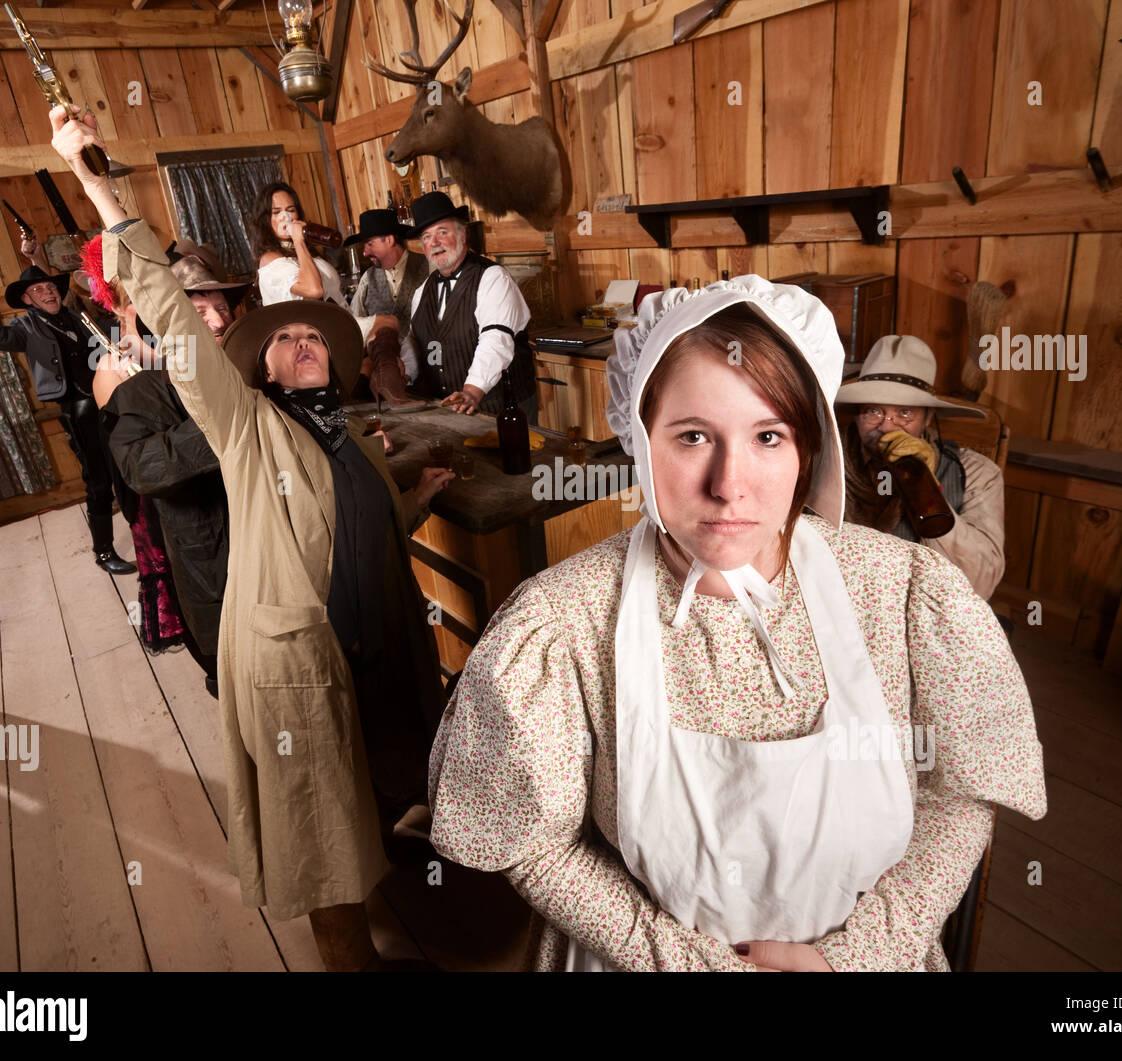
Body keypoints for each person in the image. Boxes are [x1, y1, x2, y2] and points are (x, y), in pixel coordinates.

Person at [428, 276, 1046, 971]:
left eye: (768, 436)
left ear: (807, 448)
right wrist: (688, 963)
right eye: (693, 436)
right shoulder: (564, 617)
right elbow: (535, 844)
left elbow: (958, 798)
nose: (731, 483)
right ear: (640, 438)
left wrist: (858, 955)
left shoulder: (901, 592)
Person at [52, 104, 454, 971]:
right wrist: (100, 187)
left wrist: (415, 493)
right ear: (258, 364)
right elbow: (171, 314)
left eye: (315, 334)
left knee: (369, 803)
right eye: (286, 339)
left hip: (370, 651)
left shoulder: (343, 432)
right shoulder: (247, 425)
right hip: (297, 667)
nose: (304, 342)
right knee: (322, 843)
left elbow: (354, 529)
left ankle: (385, 913)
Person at [91, 251, 250, 695]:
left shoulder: (246, 367)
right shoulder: (142, 386)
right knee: (229, 669)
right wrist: (233, 418)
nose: (218, 322)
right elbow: (142, 468)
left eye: (221, 308)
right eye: (199, 312)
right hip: (208, 561)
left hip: (269, 552)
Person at [0, 257, 137, 574]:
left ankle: (144, 539)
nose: (48, 292)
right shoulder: (25, 327)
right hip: (78, 412)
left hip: (112, 403)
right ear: (27, 299)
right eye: (38, 289)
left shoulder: (77, 316)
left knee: (126, 471)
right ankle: (103, 552)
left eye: (50, 287)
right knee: (99, 481)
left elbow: (114, 333)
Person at [835, 335, 1005, 600]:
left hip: (926, 607)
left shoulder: (975, 473)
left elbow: (980, 583)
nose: (887, 427)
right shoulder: (826, 460)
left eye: (905, 413)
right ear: (857, 415)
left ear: (928, 418)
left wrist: (925, 488)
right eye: (873, 411)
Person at [400, 191, 537, 421]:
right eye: (426, 237)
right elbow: (423, 345)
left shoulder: (493, 278)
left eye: (442, 232)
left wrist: (472, 390)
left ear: (463, 235)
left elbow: (496, 340)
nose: (434, 243)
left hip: (502, 408)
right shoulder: (422, 291)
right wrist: (403, 374)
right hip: (449, 410)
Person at [345, 208, 429, 405]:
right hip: (382, 384)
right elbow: (354, 327)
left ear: (389, 240)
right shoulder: (368, 279)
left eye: (369, 243)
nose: (365, 252)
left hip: (428, 377)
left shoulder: (429, 268)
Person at [250, 181, 345, 307]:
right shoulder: (270, 259)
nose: (286, 217)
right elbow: (314, 290)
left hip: (342, 316)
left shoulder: (304, 252)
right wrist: (298, 240)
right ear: (265, 220)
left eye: (291, 210)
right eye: (277, 212)